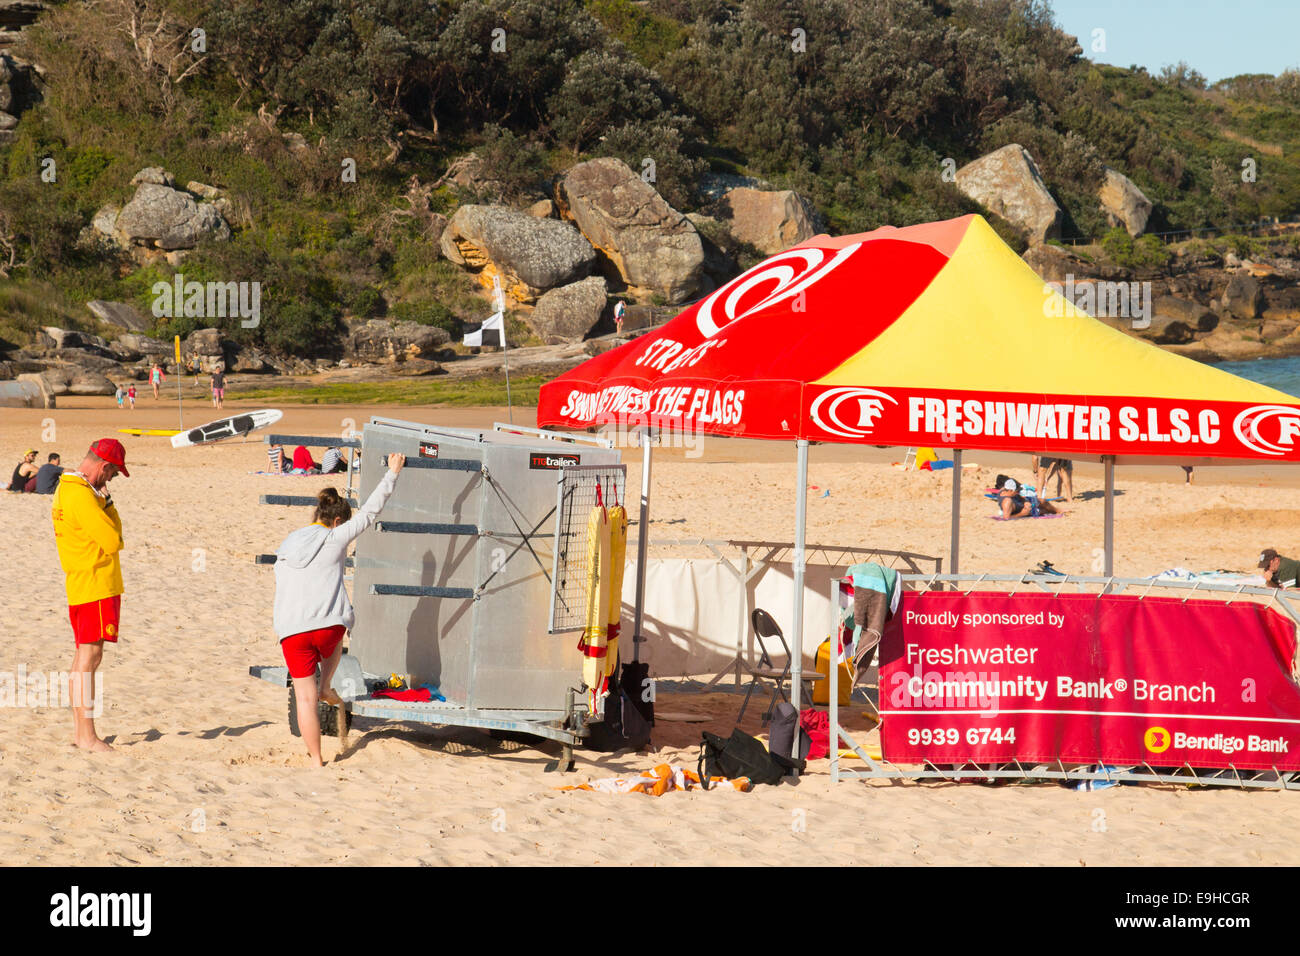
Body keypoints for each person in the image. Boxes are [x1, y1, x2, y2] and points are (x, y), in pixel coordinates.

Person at [272, 452, 406, 766]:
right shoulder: (336, 536)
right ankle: (328, 684)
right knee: (338, 631)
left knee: (304, 699)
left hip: (291, 630)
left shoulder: (290, 541)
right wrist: (393, 473)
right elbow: (371, 511)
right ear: (336, 522)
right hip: (327, 628)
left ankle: (317, 761)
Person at [52, 438, 129, 752]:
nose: (111, 480)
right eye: (112, 474)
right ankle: (86, 736)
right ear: (103, 466)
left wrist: (104, 504)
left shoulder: (67, 488)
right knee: (89, 658)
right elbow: (113, 541)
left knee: (84, 657)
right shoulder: (81, 495)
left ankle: (81, 732)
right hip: (95, 582)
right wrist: (108, 505)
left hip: (82, 581)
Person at [996, 477, 1062, 519]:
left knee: (1042, 501)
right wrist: (1022, 513)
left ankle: (1058, 510)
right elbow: (1006, 518)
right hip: (1022, 510)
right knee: (1042, 510)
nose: (1018, 492)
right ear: (1010, 491)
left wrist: (1025, 501)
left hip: (1023, 503)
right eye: (1017, 491)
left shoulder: (1003, 490)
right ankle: (1057, 512)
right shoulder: (1007, 502)